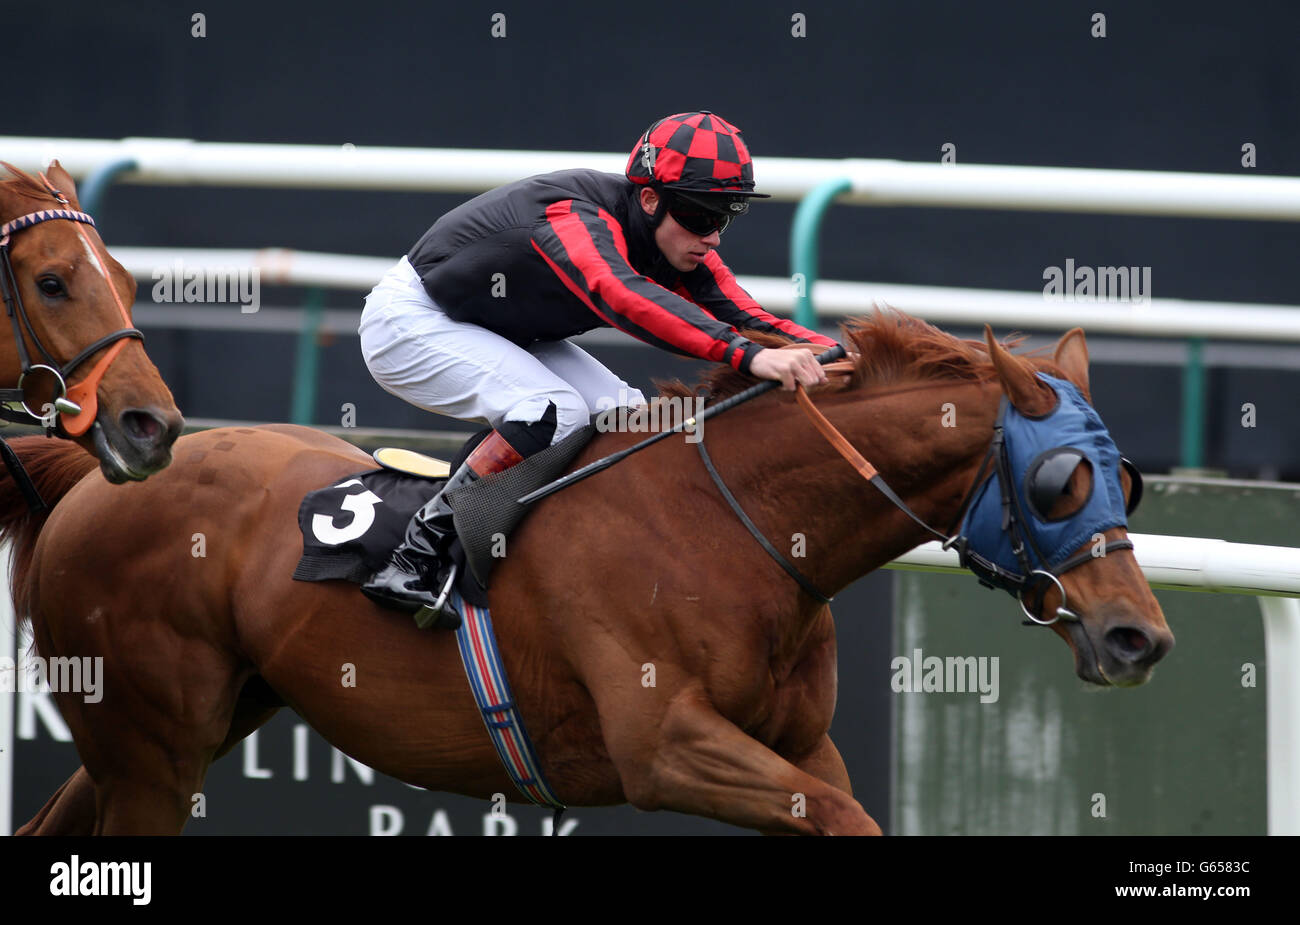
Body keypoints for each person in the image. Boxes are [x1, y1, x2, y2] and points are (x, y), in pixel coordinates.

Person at [357, 110, 838, 626]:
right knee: (550, 410)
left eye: (725, 218)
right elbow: (622, 295)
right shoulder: (574, 217)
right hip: (412, 319)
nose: (714, 237)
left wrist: (850, 353)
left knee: (629, 417)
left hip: (495, 327)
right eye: (702, 217)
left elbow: (747, 317)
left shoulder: (674, 239)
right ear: (650, 199)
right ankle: (414, 557)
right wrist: (750, 355)